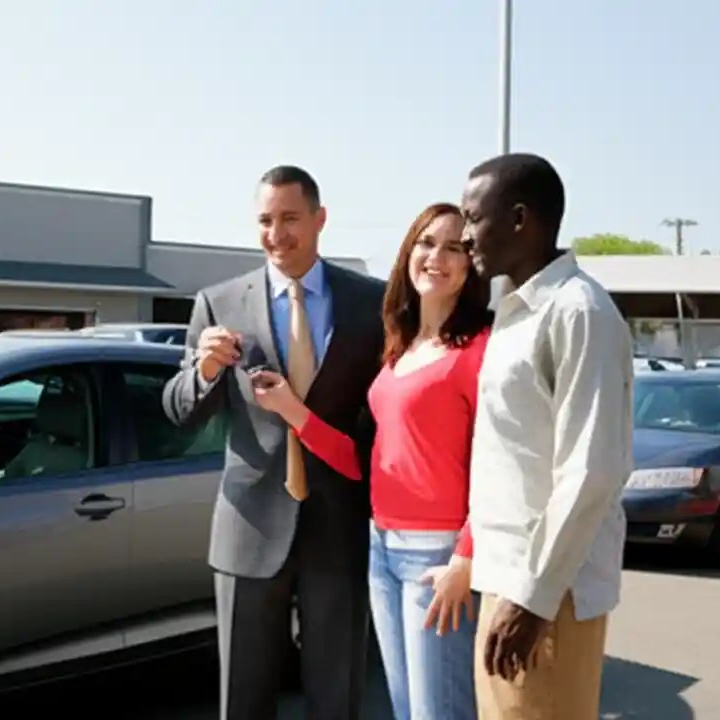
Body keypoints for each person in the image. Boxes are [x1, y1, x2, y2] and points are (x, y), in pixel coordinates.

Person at [161, 165, 386, 720]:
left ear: (320, 219)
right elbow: (180, 411)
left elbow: (379, 419)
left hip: (338, 525)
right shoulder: (218, 303)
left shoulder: (371, 302)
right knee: (243, 700)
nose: (276, 233)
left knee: (337, 699)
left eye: (289, 218)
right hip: (248, 524)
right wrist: (206, 371)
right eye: (265, 220)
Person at [252, 201, 491, 720]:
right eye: (427, 243)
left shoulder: (482, 348)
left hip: (438, 557)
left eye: (455, 247)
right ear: (408, 253)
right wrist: (294, 412)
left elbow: (499, 463)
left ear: (472, 264)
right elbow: (361, 459)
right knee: (405, 710)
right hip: (381, 546)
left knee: (439, 713)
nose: (437, 257)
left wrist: (465, 557)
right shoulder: (398, 350)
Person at [460, 152, 633, 718]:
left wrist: (531, 603)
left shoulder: (580, 312)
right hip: (509, 581)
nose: (464, 236)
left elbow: (593, 472)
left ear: (518, 220)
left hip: (546, 596)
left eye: (472, 218)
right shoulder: (517, 310)